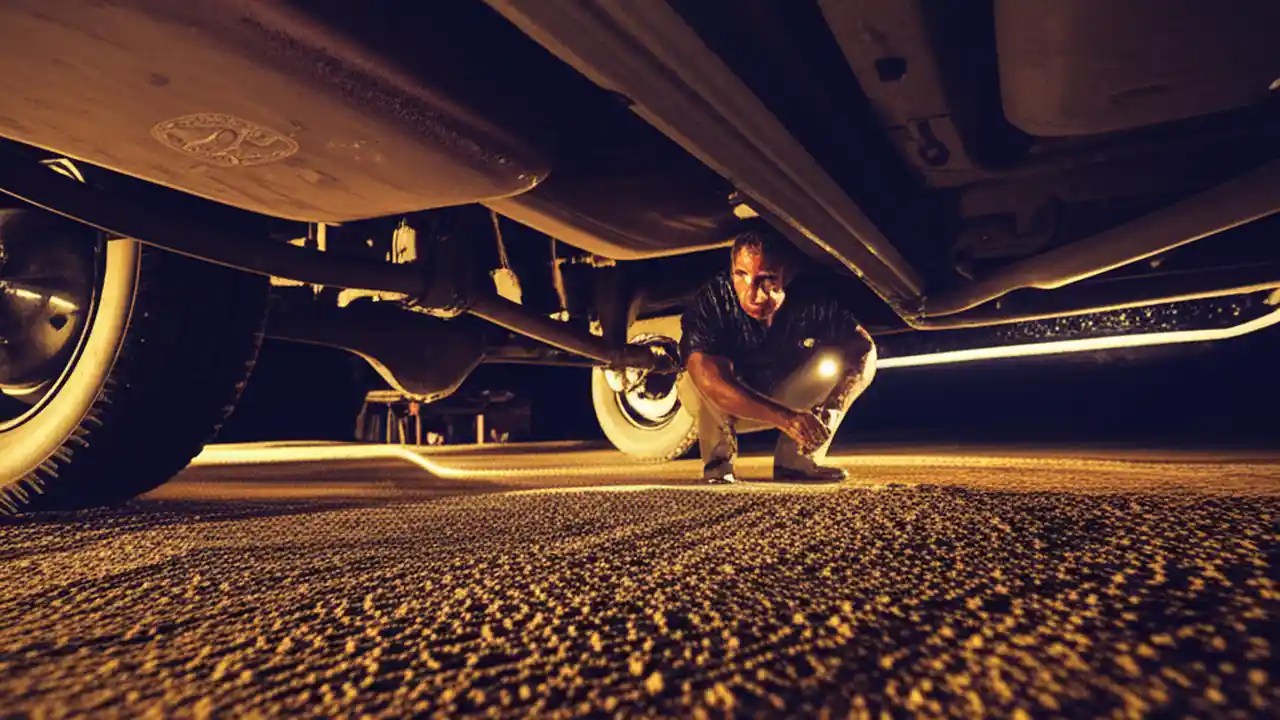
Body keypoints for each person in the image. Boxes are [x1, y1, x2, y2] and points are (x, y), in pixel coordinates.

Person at [677, 224, 877, 483]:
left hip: (778, 392)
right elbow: (708, 378)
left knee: (837, 361)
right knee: (706, 376)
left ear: (788, 274)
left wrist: (834, 405)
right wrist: (786, 418)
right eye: (741, 276)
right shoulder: (713, 300)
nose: (752, 294)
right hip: (719, 402)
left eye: (767, 279)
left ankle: (796, 464)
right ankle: (718, 465)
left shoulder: (812, 299)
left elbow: (863, 347)